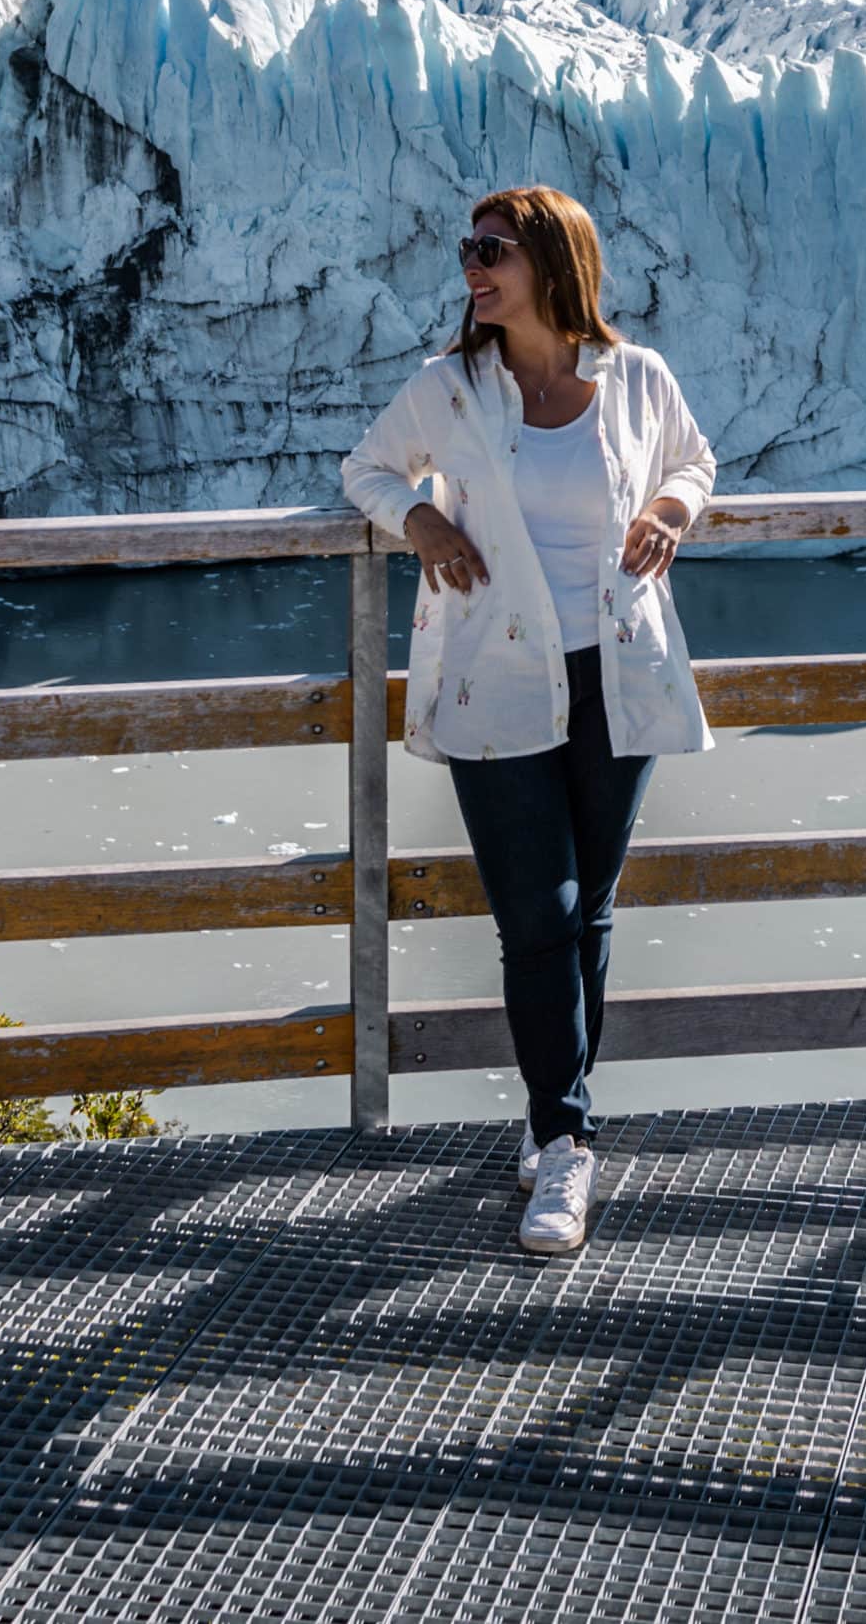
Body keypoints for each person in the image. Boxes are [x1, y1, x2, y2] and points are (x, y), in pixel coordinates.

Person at [342, 184, 715, 1257]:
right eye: (467, 246)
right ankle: (564, 1138)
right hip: (496, 680)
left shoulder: (634, 377)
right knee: (537, 911)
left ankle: (556, 1119)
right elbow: (363, 467)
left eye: (492, 248)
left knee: (587, 905)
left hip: (617, 671)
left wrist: (672, 507)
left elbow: (692, 456)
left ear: (553, 261)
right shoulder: (447, 388)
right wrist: (414, 515)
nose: (472, 264)